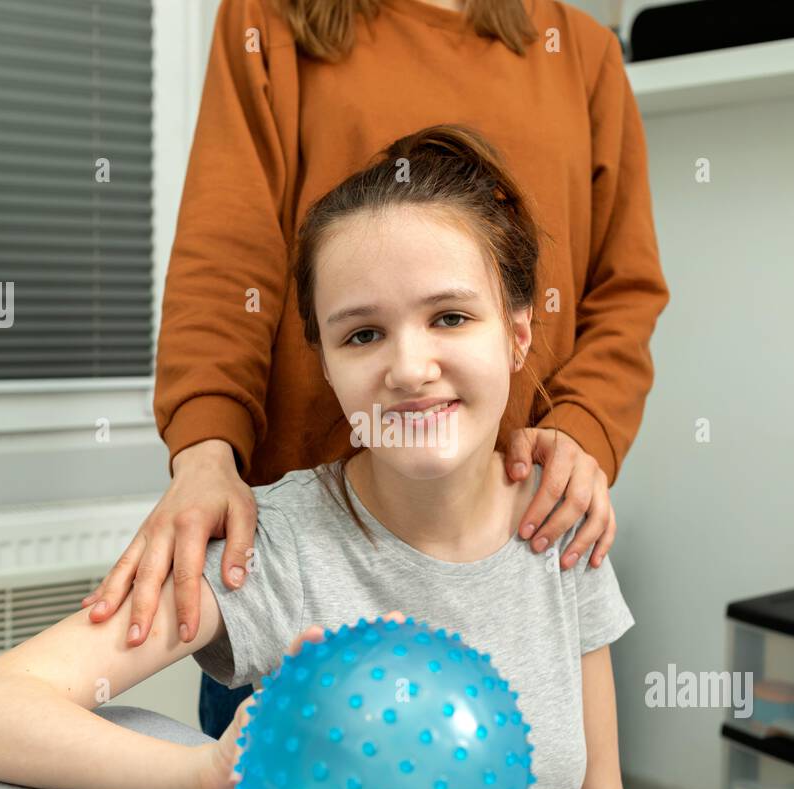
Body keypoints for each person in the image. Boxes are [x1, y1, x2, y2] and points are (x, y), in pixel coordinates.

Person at [0, 125, 635, 789]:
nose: (410, 368)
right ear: (323, 363)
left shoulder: (562, 526)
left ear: (517, 336)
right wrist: (195, 778)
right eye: (363, 334)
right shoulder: (274, 547)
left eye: (449, 317)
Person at [79, 0, 671, 741]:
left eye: (450, 318)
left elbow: (626, 289)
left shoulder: (580, 52)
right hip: (313, 567)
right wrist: (204, 451)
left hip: (509, 549)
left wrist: (583, 431)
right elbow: (226, 257)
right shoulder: (272, 20)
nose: (413, 363)